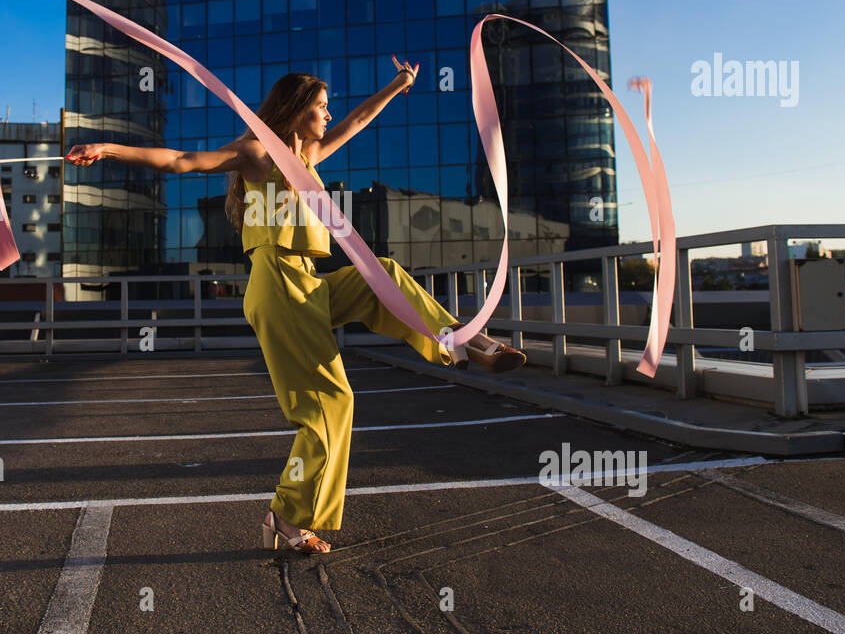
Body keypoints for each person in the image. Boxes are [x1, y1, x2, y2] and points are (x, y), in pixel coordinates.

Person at [66, 58, 525, 554]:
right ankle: (285, 516)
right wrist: (107, 148)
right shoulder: (258, 154)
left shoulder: (308, 158)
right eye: (321, 107)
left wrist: (400, 83)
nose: (329, 115)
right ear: (296, 109)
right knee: (331, 406)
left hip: (307, 282)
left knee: (382, 275)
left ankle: (456, 337)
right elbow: (182, 161)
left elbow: (360, 120)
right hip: (279, 285)